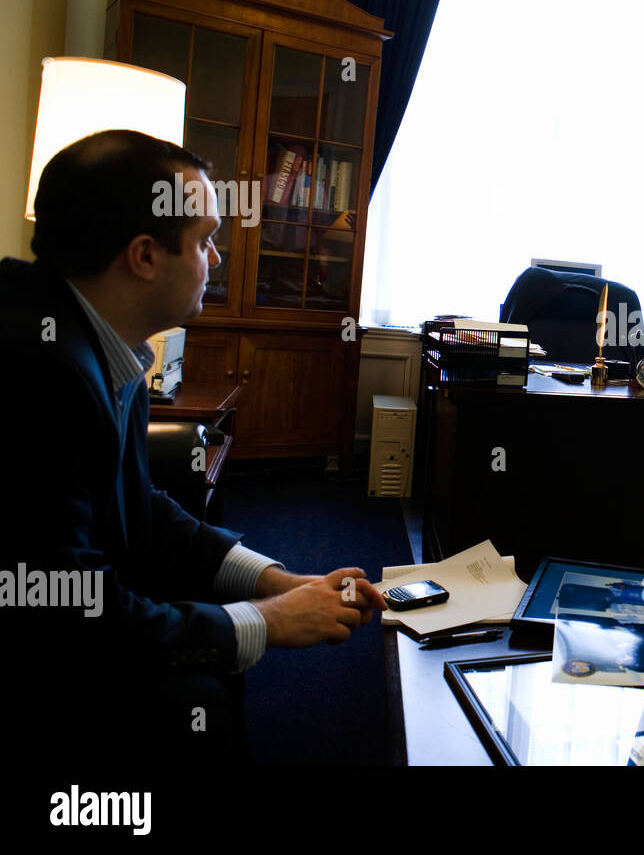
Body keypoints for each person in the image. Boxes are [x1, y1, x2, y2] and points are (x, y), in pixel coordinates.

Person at [0, 130, 387, 763]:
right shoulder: (35, 372)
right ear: (144, 256)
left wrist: (273, 581)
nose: (218, 258)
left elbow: (139, 506)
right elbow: (69, 615)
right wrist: (272, 622)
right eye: (205, 240)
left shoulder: (93, 337)